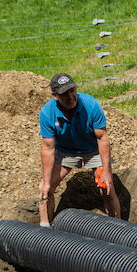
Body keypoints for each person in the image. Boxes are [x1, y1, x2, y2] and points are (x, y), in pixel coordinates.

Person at [38, 72, 121, 226]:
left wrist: (107, 173)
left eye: (72, 91)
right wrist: (47, 181)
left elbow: (102, 138)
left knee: (107, 188)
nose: (71, 97)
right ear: (55, 96)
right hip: (66, 152)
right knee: (45, 189)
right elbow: (48, 148)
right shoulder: (47, 113)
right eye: (64, 94)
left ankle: (118, 228)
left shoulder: (90, 105)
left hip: (92, 150)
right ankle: (44, 227)